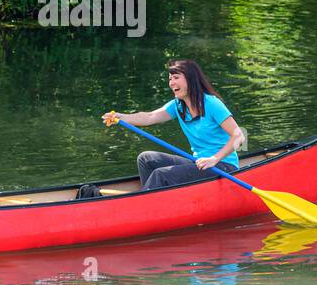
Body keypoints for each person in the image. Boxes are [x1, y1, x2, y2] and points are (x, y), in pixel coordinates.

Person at [102, 59, 245, 191]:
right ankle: (154, 198)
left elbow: (239, 136)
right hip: (197, 163)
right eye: (170, 79)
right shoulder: (178, 106)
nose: (171, 83)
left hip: (223, 166)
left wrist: (214, 159)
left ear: (191, 79)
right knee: (146, 159)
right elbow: (150, 117)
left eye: (176, 78)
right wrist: (122, 117)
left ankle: (145, 202)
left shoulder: (211, 103)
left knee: (161, 175)